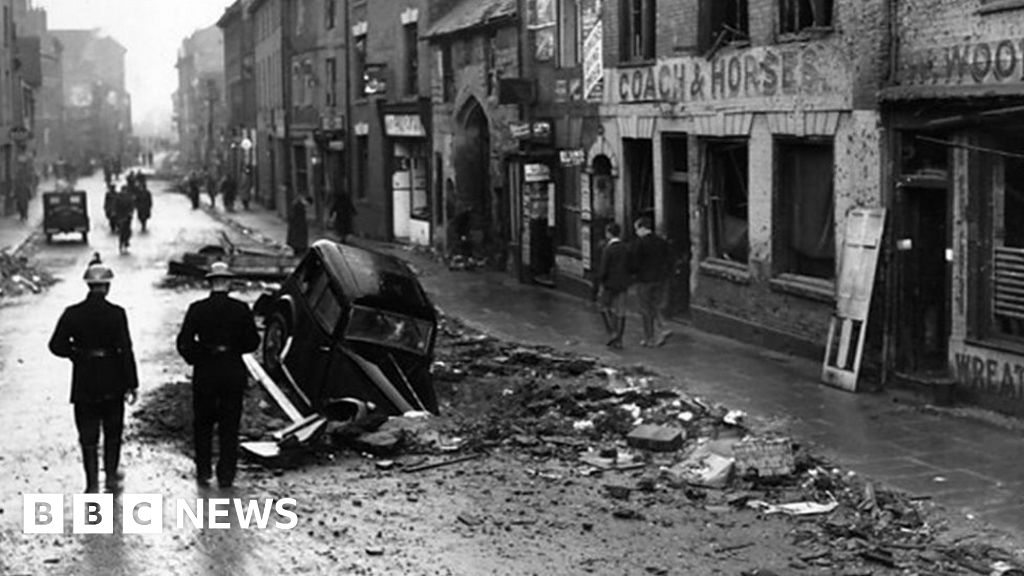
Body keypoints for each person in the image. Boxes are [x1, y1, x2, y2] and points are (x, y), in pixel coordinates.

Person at [48, 259, 139, 493]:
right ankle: (110, 475)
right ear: (107, 287)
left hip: (85, 381)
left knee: (88, 435)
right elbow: (126, 349)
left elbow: (56, 345)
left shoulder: (72, 313)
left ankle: (91, 483)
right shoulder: (117, 314)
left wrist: (76, 354)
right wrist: (131, 383)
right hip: (113, 380)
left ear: (88, 286)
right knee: (113, 431)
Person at [176, 262, 261, 488]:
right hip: (232, 371)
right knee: (229, 425)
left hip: (206, 372)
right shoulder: (241, 309)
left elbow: (184, 342)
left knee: (203, 423)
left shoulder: (197, 309)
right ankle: (226, 474)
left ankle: (203, 470)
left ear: (211, 283)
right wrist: (234, 348)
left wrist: (198, 356)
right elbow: (253, 342)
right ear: (228, 283)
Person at [632, 216, 673, 347]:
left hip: (644, 281)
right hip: (660, 279)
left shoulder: (640, 244)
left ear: (642, 228)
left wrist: (633, 275)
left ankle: (650, 338)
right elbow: (669, 259)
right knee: (656, 306)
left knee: (645, 310)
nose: (636, 233)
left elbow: (635, 263)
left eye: (637, 229)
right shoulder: (661, 242)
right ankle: (661, 331)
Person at [597, 222, 632, 349]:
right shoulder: (626, 247)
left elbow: (603, 268)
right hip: (623, 284)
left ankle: (612, 332)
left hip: (609, 284)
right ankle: (620, 339)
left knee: (603, 307)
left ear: (609, 233)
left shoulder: (608, 249)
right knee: (621, 310)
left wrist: (601, 283)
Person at [114, 186, 135, 253]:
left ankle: (126, 241)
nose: (124, 192)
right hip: (120, 217)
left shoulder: (129, 197)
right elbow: (115, 206)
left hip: (127, 217)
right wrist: (115, 213)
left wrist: (130, 213)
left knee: (127, 231)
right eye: (123, 190)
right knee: (121, 231)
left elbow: (132, 206)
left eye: (125, 191)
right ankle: (121, 243)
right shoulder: (118, 197)